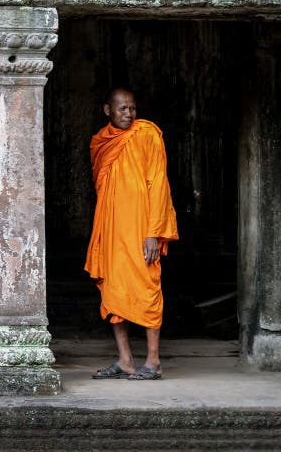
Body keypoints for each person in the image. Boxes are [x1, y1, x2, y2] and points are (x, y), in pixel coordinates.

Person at [85, 88, 179, 380]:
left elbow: (159, 184)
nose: (129, 114)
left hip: (141, 230)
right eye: (122, 109)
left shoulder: (147, 135)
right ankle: (125, 360)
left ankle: (153, 361)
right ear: (107, 110)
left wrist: (153, 232)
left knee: (148, 289)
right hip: (113, 230)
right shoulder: (101, 142)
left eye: (132, 108)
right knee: (114, 294)